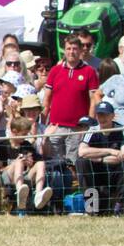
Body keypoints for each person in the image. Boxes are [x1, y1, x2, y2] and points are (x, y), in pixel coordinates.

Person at [43, 33, 100, 168]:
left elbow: (94, 99)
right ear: (64, 50)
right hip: (56, 127)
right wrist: (44, 123)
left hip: (78, 128)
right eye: (68, 48)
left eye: (75, 48)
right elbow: (47, 99)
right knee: (54, 165)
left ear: (80, 50)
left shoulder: (89, 72)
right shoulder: (55, 71)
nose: (71, 52)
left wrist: (89, 123)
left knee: (73, 165)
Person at [76, 100, 124, 214]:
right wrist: (110, 151)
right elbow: (82, 152)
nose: (102, 118)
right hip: (96, 171)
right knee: (81, 162)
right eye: (99, 115)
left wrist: (98, 158)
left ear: (113, 115)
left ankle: (119, 208)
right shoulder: (92, 130)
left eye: (105, 115)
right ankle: (91, 208)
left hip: (114, 172)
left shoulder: (122, 129)